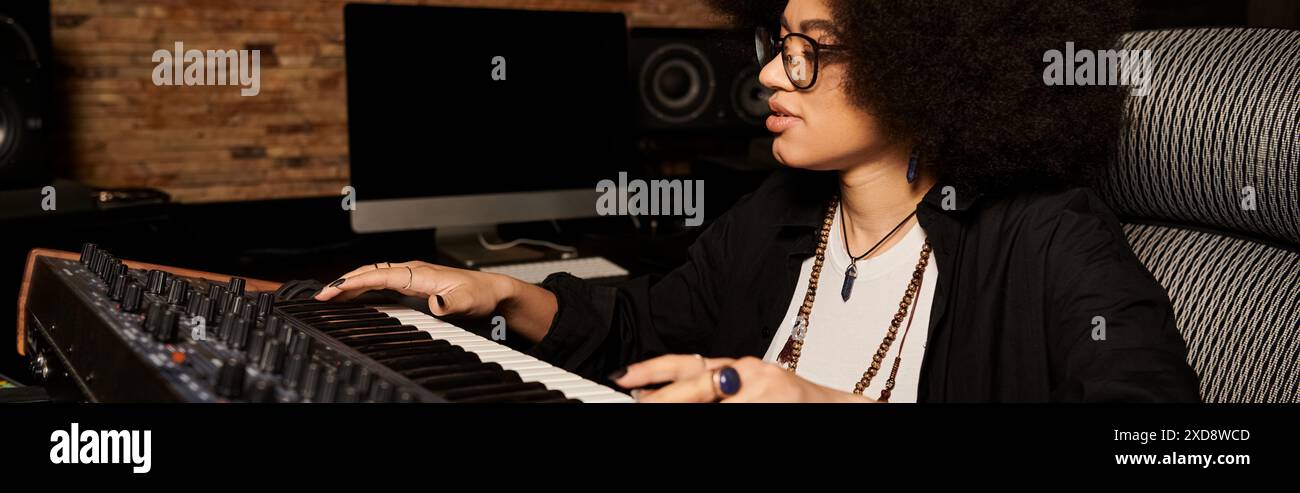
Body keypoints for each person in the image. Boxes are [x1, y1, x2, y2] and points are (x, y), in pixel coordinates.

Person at [316, 0, 1201, 403]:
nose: (773, 74)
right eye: (778, 44)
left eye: (811, 49)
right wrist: (498, 292)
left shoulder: (1045, 235)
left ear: (926, 65)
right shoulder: (778, 214)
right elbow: (642, 328)